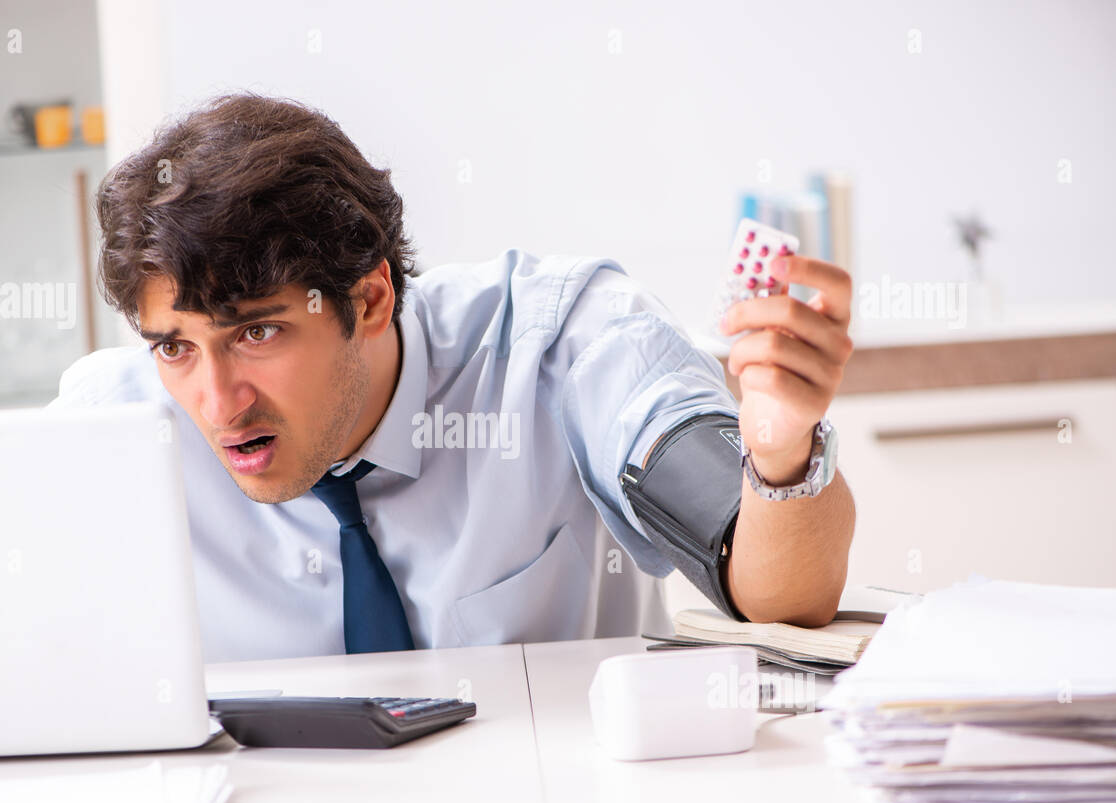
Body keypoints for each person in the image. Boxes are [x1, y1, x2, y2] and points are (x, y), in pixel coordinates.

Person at [51, 93, 856, 662]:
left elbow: (776, 595)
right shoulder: (109, 434)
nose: (216, 401)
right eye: (175, 347)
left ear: (368, 298)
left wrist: (781, 449)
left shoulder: (569, 343)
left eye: (257, 331)